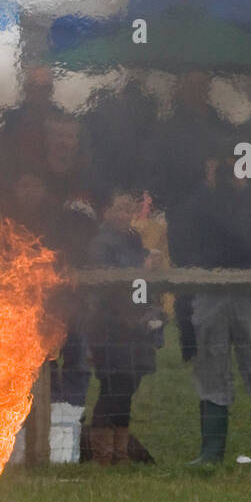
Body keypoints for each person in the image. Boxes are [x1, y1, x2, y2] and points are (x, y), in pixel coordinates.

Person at [170, 151, 251, 465]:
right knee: (211, 369)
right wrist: (209, 188)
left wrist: (242, 192)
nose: (231, 172)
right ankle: (211, 453)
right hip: (210, 291)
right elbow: (182, 241)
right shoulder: (200, 200)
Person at [85, 190, 163, 465]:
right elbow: (106, 285)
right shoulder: (99, 243)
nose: (122, 214)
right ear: (105, 211)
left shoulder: (133, 239)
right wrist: (127, 316)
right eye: (116, 208)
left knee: (127, 387)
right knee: (111, 388)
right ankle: (102, 455)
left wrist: (147, 312)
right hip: (110, 325)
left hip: (136, 325)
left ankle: (120, 453)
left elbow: (142, 282)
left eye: (127, 208)